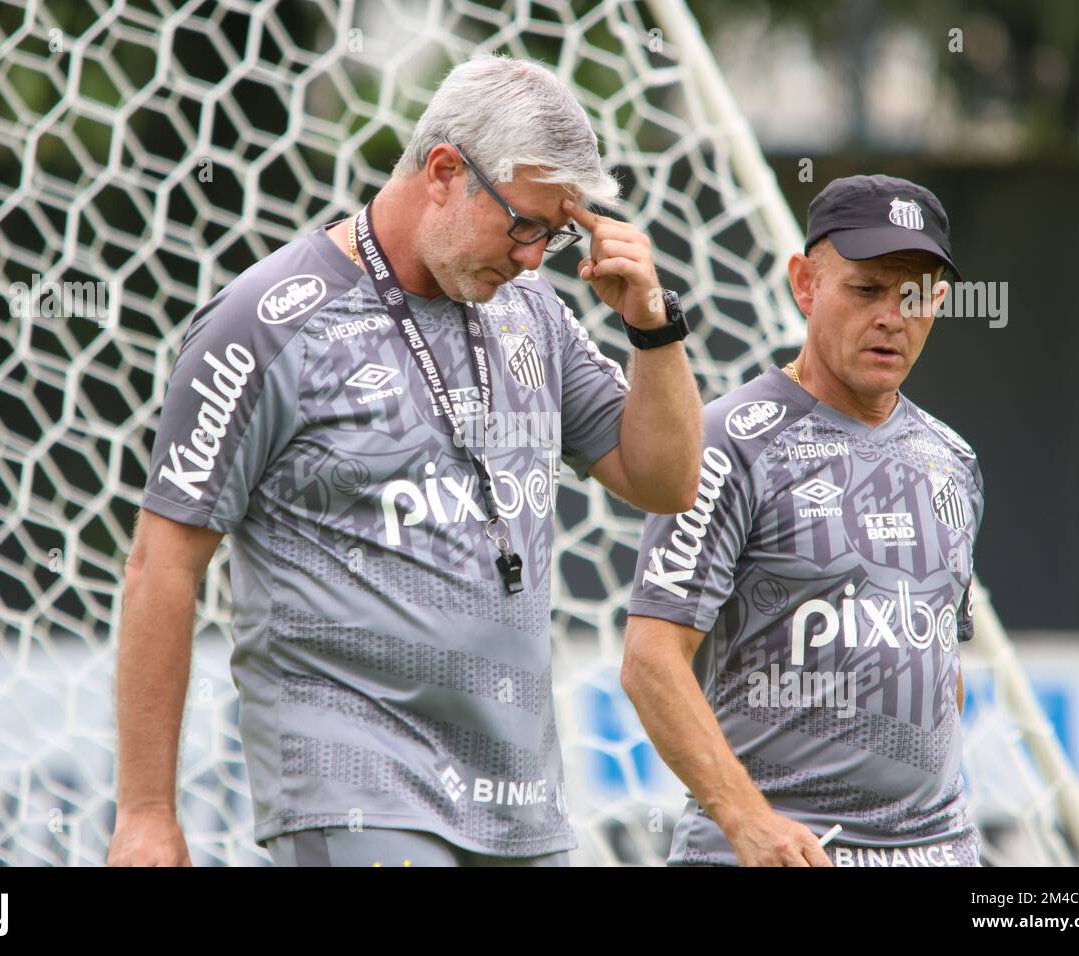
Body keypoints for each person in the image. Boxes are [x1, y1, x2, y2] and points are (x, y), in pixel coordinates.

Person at [108, 54, 701, 867]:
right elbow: (161, 568)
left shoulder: (534, 312)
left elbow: (665, 482)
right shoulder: (265, 322)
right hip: (356, 793)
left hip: (521, 805)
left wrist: (653, 329)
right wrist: (145, 814)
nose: (535, 257)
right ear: (445, 171)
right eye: (524, 225)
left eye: (556, 234)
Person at [622, 174, 985, 867]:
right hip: (776, 852)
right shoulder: (728, 442)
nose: (892, 316)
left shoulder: (953, 459)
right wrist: (749, 823)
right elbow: (650, 660)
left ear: (938, 302)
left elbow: (942, 666)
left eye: (914, 295)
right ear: (804, 284)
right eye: (867, 289)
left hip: (937, 852)